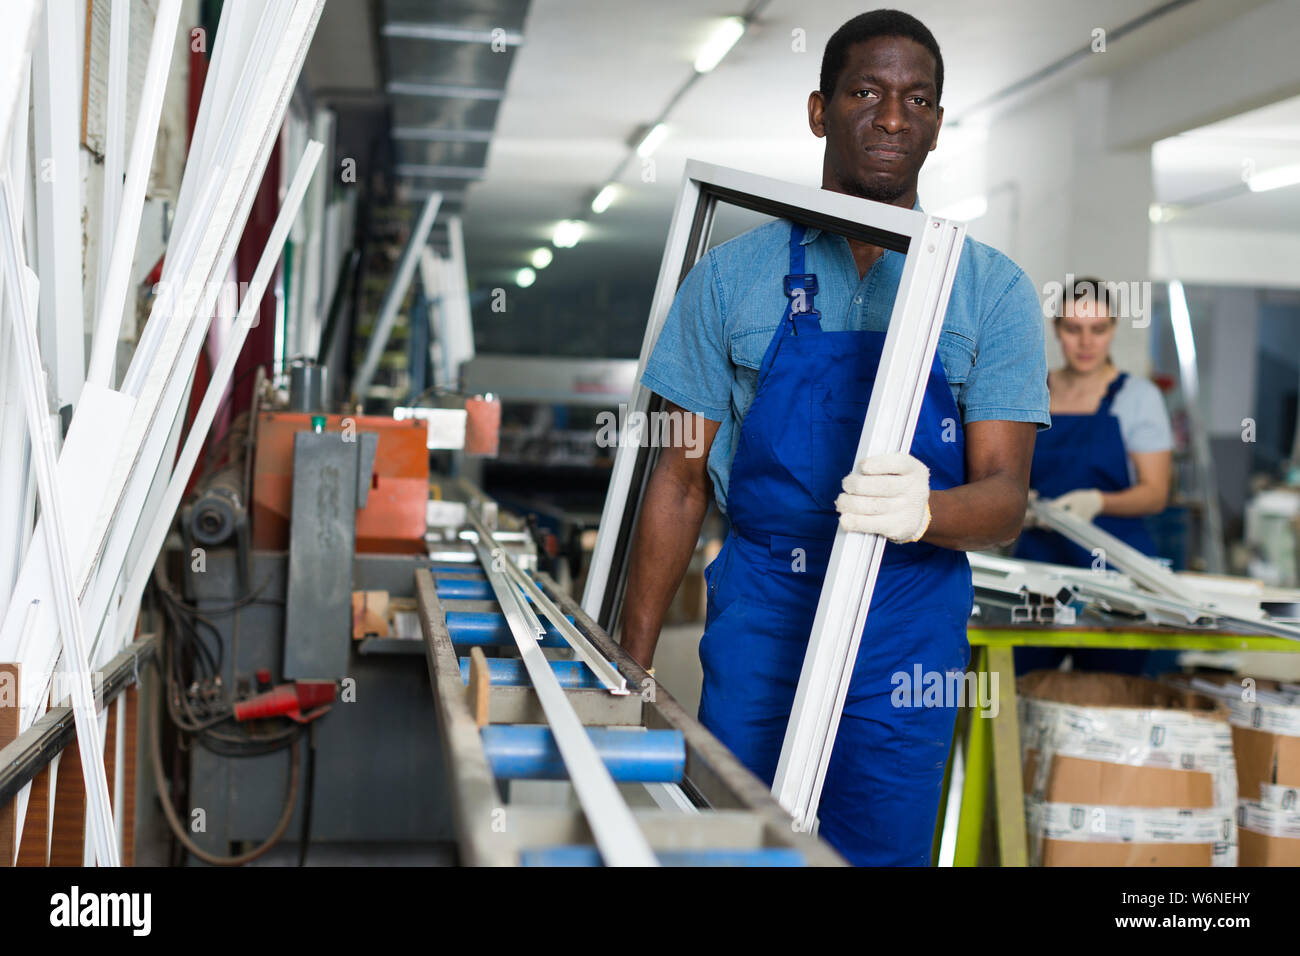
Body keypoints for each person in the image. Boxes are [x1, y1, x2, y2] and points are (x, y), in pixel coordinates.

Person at [619, 9, 1049, 866]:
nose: (893, 117)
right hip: (767, 604)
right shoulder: (731, 279)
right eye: (867, 92)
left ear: (935, 122)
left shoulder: (987, 290)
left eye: (918, 100)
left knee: (878, 849)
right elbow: (678, 479)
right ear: (819, 110)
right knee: (739, 843)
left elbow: (1006, 499)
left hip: (908, 619)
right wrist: (629, 670)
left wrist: (924, 511)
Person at [1014, 277, 1175, 674]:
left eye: (1098, 330)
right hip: (1039, 567)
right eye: (1074, 329)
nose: (1086, 343)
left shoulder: (1138, 398)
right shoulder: (1033, 390)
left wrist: (1098, 501)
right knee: (1020, 686)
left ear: (1113, 329)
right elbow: (1002, 465)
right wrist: (1020, 502)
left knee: (1105, 692)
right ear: (1056, 330)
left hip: (1114, 572)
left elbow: (1156, 493)